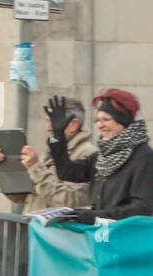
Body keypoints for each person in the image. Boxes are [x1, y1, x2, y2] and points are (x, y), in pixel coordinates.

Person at [46, 89, 153, 222]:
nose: (100, 126)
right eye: (97, 120)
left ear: (123, 121)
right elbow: (67, 172)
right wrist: (58, 136)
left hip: (125, 237)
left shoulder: (143, 156)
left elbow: (142, 209)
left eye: (106, 120)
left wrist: (97, 216)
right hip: (102, 236)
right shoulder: (101, 155)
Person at [0, 97, 93, 212]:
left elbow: (69, 201)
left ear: (74, 124)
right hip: (35, 226)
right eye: (47, 121)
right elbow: (21, 197)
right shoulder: (49, 152)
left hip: (57, 229)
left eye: (52, 122)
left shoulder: (87, 154)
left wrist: (36, 167)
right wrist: (4, 167)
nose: (47, 128)